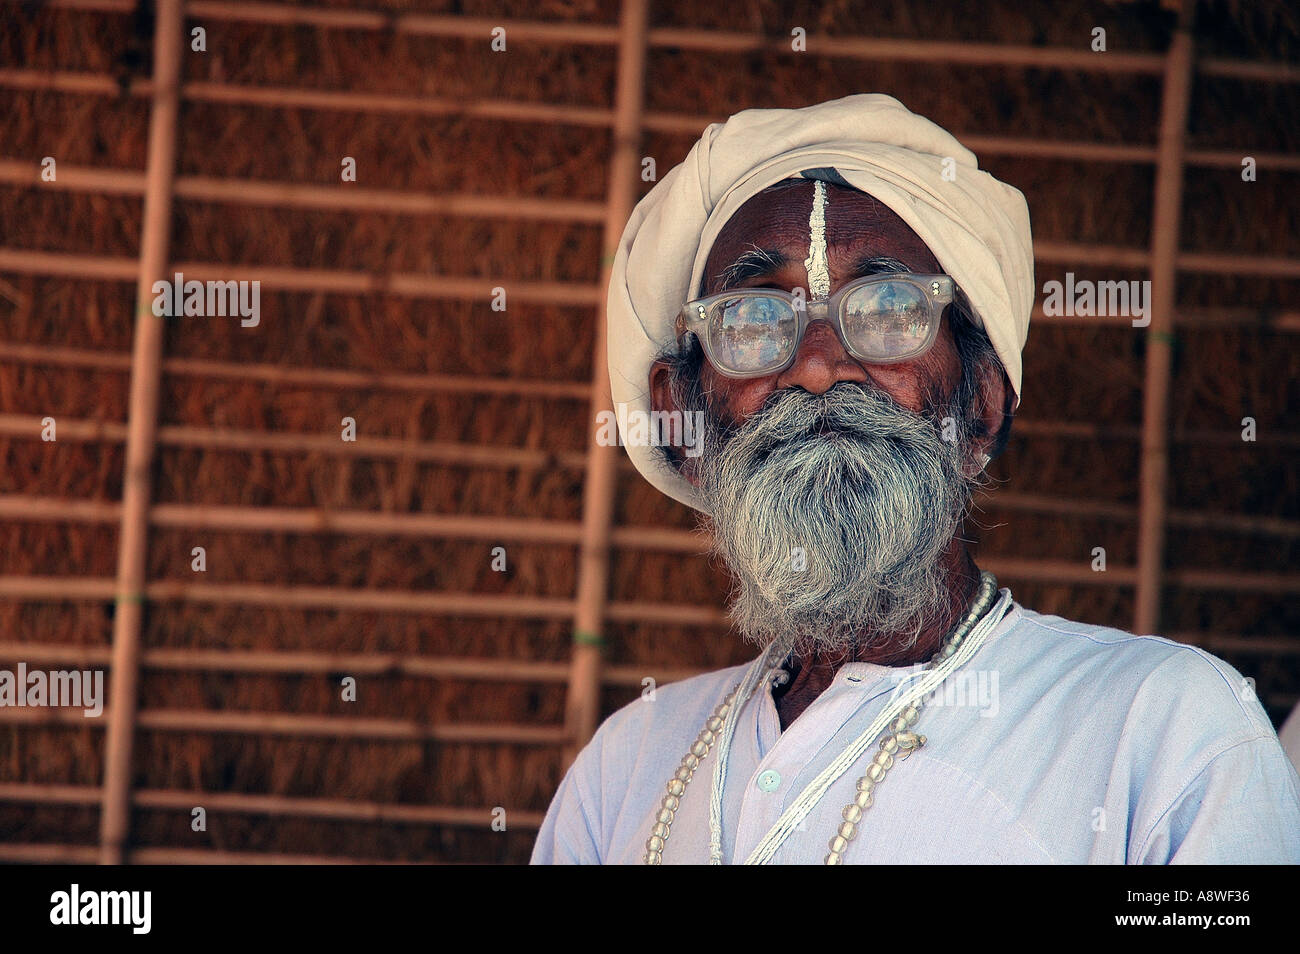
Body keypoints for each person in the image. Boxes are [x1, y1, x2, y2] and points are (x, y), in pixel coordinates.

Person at [531, 94, 1300, 864]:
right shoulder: (625, 767)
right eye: (753, 320)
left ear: (982, 409)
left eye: (891, 311)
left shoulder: (1167, 731)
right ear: (681, 420)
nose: (817, 365)